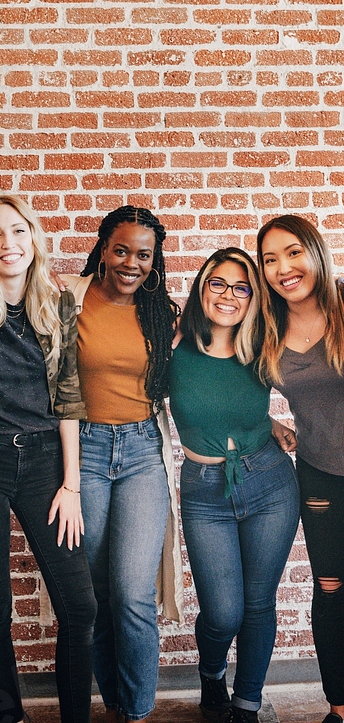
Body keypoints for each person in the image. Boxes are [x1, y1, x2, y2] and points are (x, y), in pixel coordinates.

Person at [0, 194, 97, 723]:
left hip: (43, 465)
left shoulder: (58, 305)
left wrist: (71, 484)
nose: (7, 243)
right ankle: (11, 715)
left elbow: (70, 398)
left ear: (34, 238)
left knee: (80, 607)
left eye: (17, 231)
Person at [61, 205, 181, 723]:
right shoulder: (65, 296)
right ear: (102, 249)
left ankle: (134, 713)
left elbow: (221, 354)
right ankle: (110, 699)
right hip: (82, 452)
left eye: (144, 254)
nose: (132, 263)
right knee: (94, 594)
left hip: (141, 454)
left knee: (132, 592)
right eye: (122, 250)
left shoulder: (164, 313)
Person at [169, 247, 299, 723]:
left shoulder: (264, 344)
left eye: (240, 287)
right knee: (223, 613)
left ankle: (247, 703)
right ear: (202, 288)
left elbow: (316, 385)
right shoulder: (174, 345)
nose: (228, 295)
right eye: (217, 283)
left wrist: (272, 424)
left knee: (259, 603)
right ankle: (210, 673)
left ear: (252, 298)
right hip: (204, 491)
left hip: (269, 482)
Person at [257, 215, 344, 723]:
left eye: (293, 252)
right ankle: (338, 705)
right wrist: (268, 423)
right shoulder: (265, 327)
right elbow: (230, 384)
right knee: (331, 589)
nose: (283, 268)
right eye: (270, 259)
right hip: (319, 473)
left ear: (315, 251)